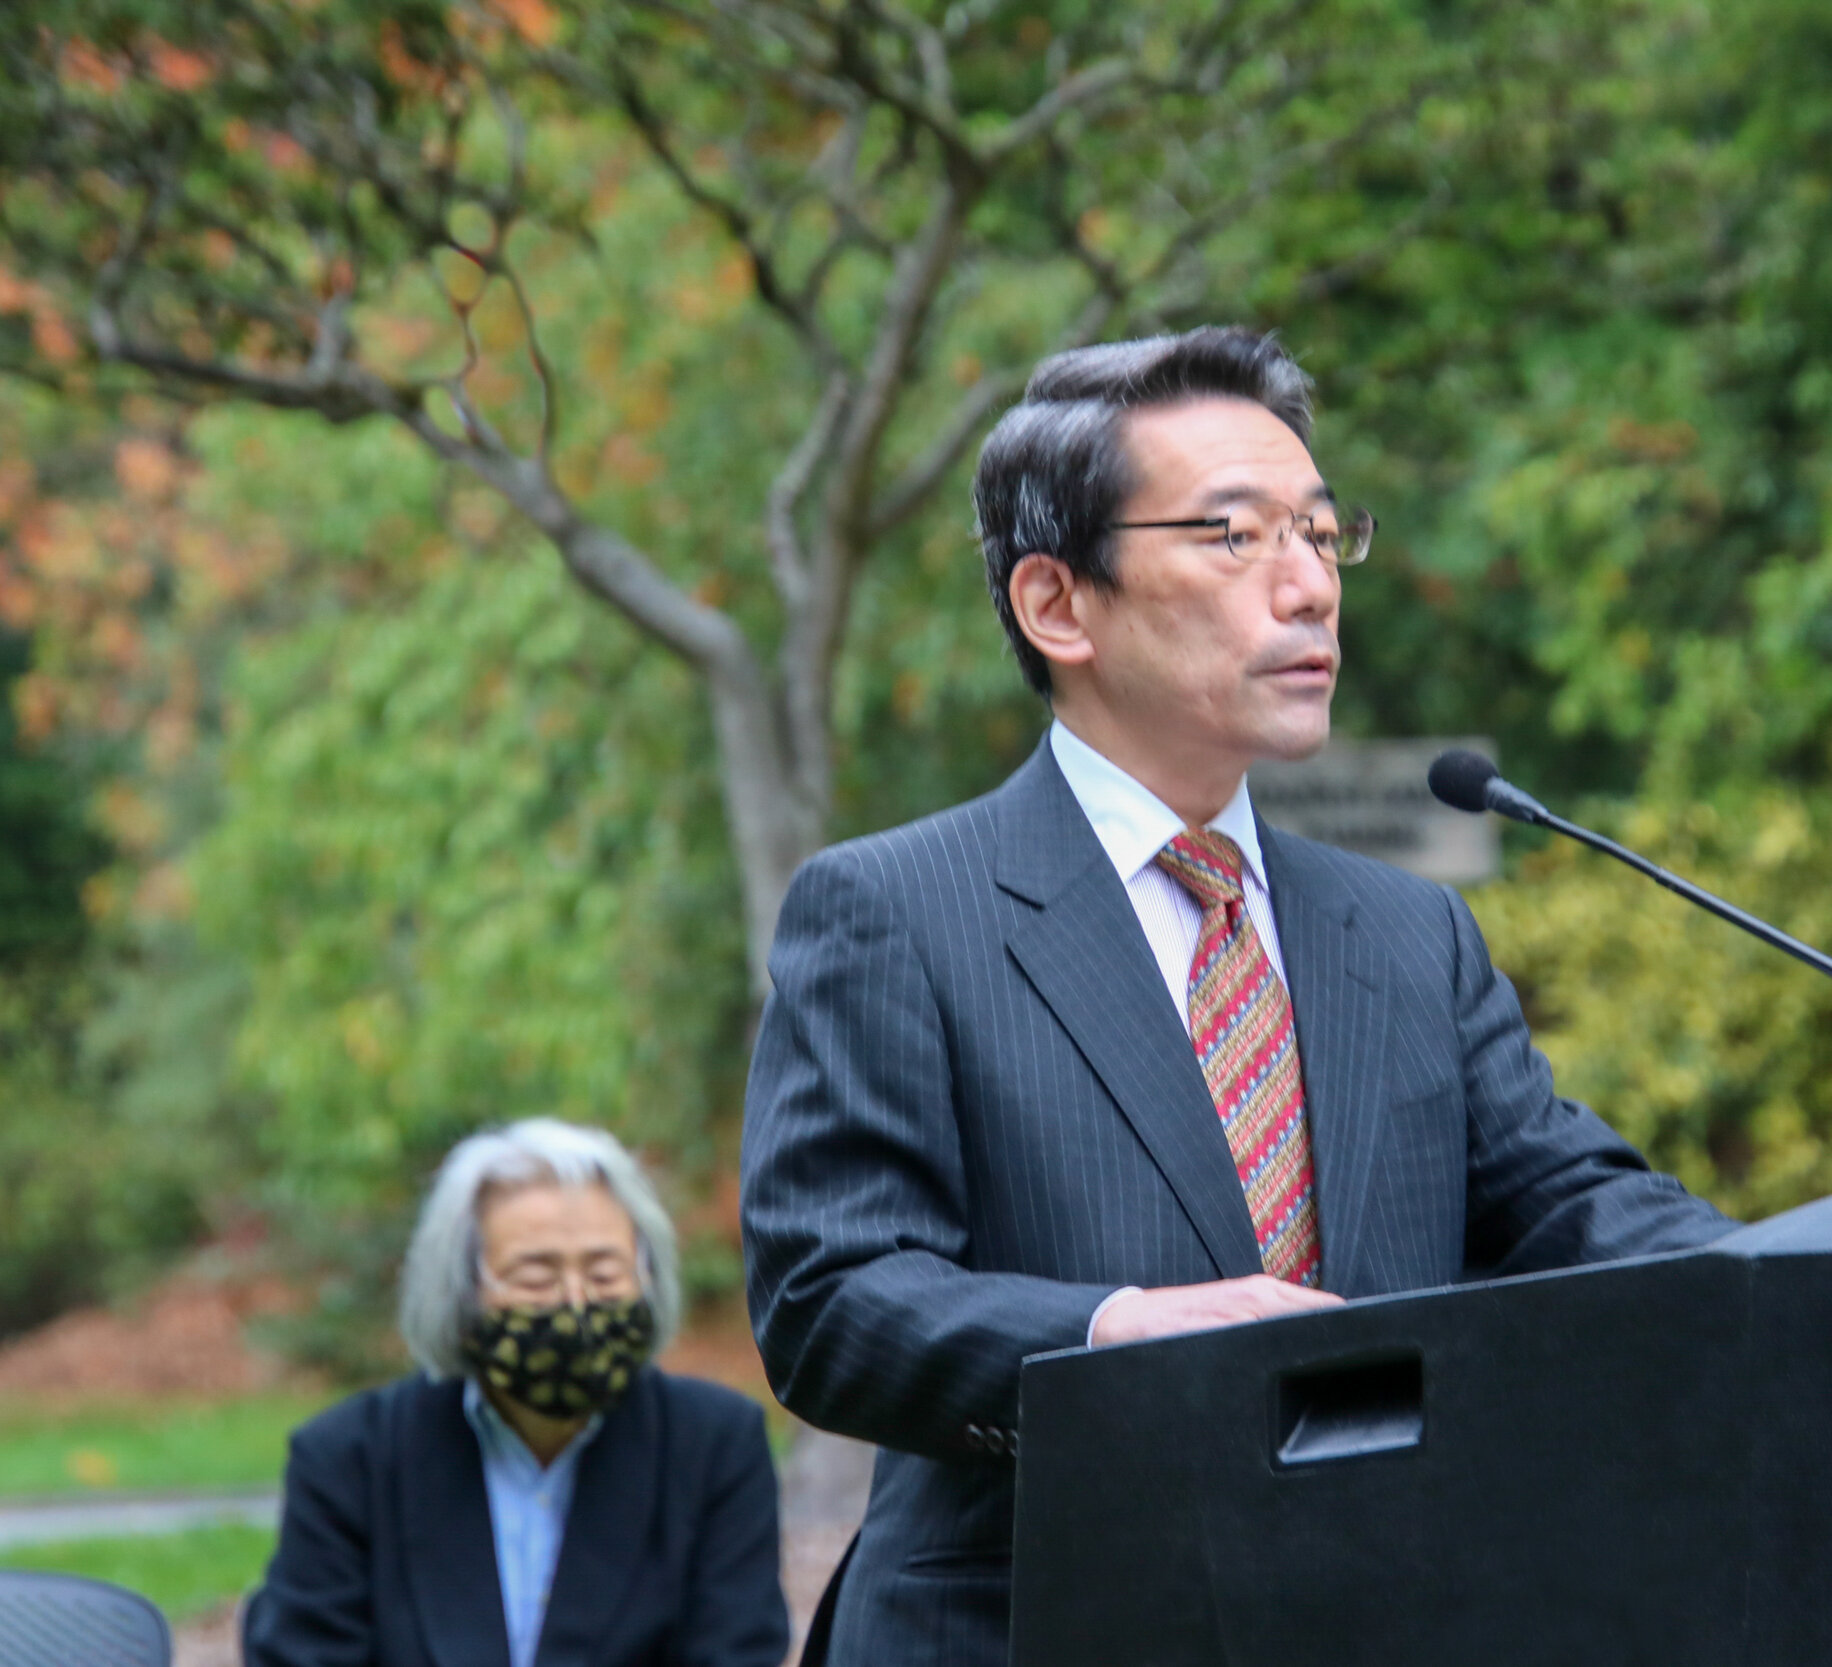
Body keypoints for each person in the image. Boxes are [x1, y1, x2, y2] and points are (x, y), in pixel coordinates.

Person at [741, 326, 1736, 1666]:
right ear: (1058, 604)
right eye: (1234, 537)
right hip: (1032, 1622)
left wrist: (1812, 1281)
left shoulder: (1404, 930)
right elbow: (831, 1298)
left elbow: (1573, 1207)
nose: (1308, 585)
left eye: (1325, 537)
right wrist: (1118, 1333)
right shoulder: (901, 909)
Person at [245, 1118, 789, 1667]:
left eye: (604, 1274)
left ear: (648, 1280)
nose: (575, 1305)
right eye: (535, 1278)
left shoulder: (714, 1447)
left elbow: (735, 1652)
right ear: (460, 1290)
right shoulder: (349, 1460)